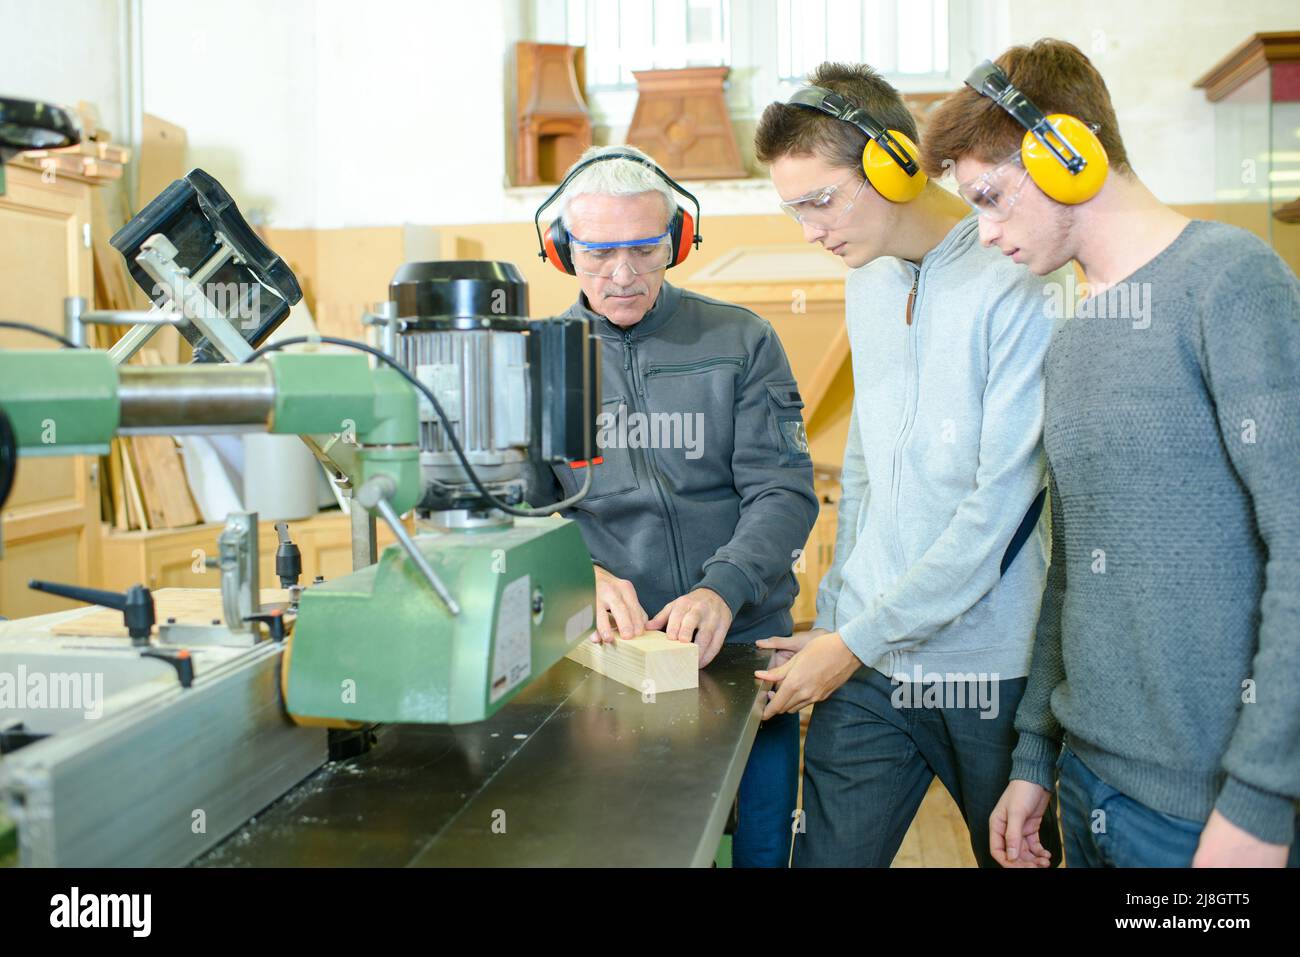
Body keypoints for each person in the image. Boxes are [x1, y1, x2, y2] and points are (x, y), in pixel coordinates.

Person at [921, 38, 1300, 867]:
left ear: (1067, 154)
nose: (984, 234)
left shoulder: (1232, 281)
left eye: (989, 197)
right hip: (1087, 783)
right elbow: (1072, 566)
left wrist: (1264, 800)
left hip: (1204, 816)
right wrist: (1033, 756)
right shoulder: (1075, 334)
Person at [751, 62, 1067, 867]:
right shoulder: (868, 277)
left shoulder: (1018, 276)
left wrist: (850, 640)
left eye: (821, 200)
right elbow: (860, 469)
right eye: (794, 210)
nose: (811, 230)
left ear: (895, 160)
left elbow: (998, 513)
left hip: (987, 670)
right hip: (867, 663)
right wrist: (835, 623)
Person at [529, 145, 819, 867]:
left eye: (643, 248)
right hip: (600, 661)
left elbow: (783, 489)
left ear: (679, 241)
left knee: (761, 849)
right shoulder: (535, 359)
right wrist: (579, 576)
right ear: (561, 250)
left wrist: (724, 588)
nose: (622, 274)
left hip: (743, 649)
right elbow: (518, 511)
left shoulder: (741, 340)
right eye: (598, 253)